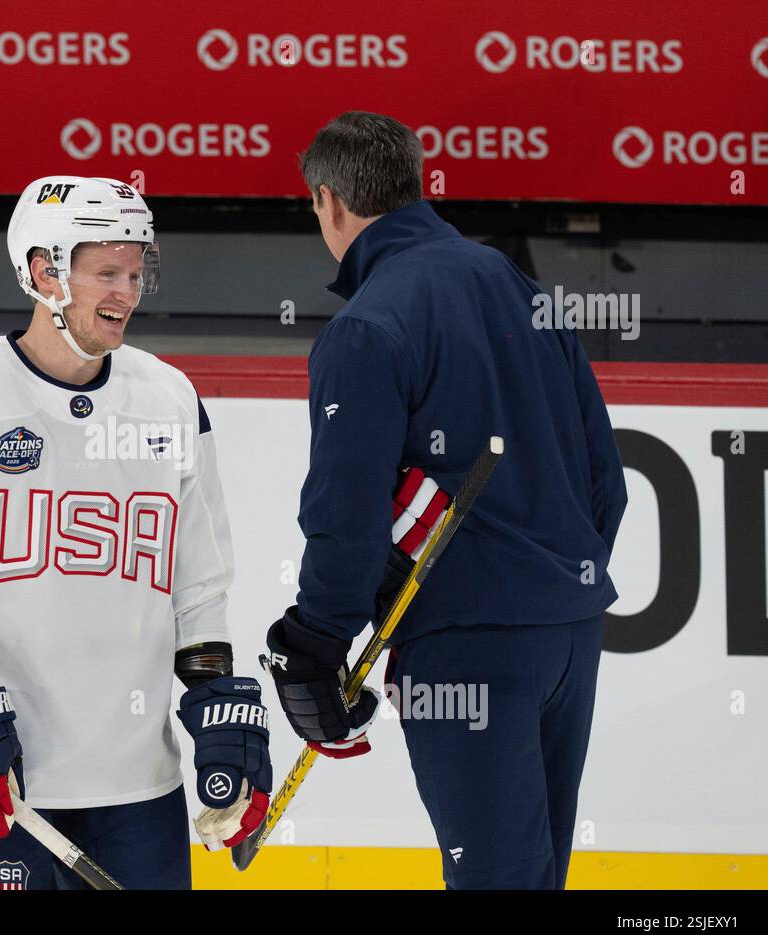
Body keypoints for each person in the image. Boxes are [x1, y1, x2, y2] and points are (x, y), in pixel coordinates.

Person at [0, 176, 271, 890]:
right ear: (43, 271)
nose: (125, 292)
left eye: (135, 271)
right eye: (105, 273)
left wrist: (214, 698)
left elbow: (198, 583)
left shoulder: (170, 399)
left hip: (138, 794)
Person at [261, 111, 627, 889]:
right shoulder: (513, 282)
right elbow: (605, 471)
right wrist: (564, 581)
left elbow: (346, 509)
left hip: (466, 642)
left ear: (327, 202)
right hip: (570, 632)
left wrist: (316, 641)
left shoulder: (366, 327)